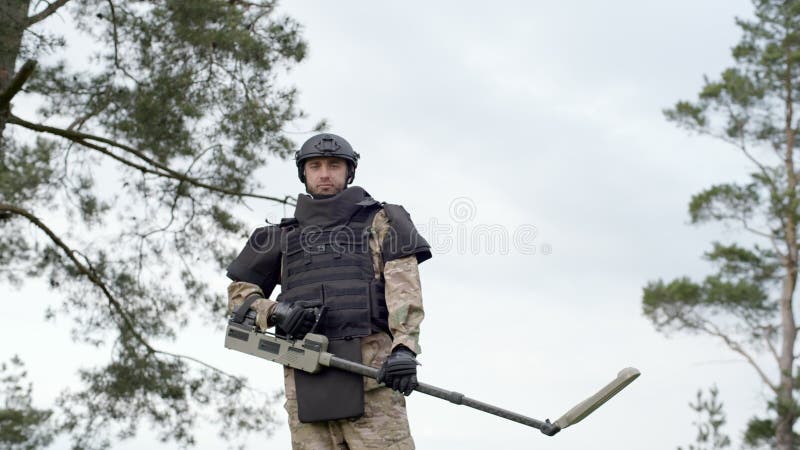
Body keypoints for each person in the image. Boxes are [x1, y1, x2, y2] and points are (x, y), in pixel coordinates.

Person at [225, 133, 432, 449]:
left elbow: (404, 288)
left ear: (348, 172)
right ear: (303, 173)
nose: (324, 174)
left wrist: (404, 348)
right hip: (307, 381)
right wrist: (276, 311)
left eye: (334, 165)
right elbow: (239, 294)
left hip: (372, 378)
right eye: (315, 166)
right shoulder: (280, 235)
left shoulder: (382, 220)